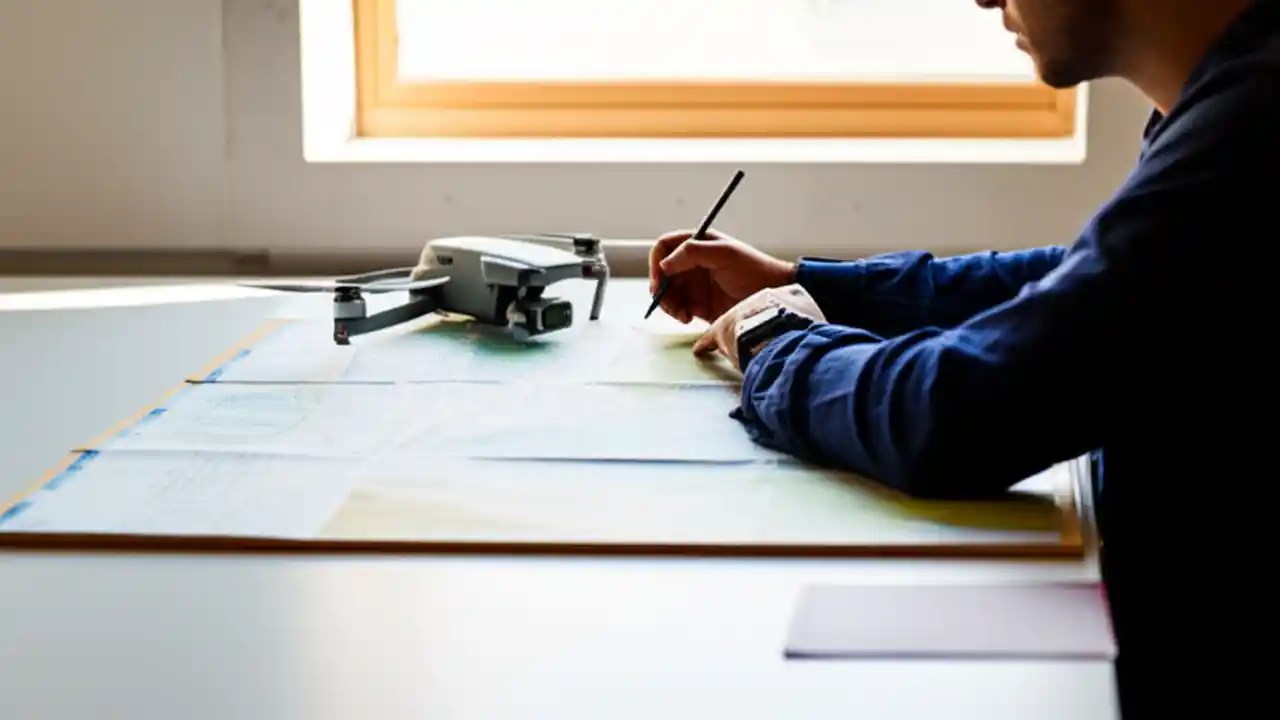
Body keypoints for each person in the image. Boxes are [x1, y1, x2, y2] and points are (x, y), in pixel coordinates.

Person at [649, 0, 1276, 716]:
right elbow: (1078, 283)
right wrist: (807, 286)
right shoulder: (1229, 103)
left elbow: (955, 411)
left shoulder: (1249, 144)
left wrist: (774, 341)